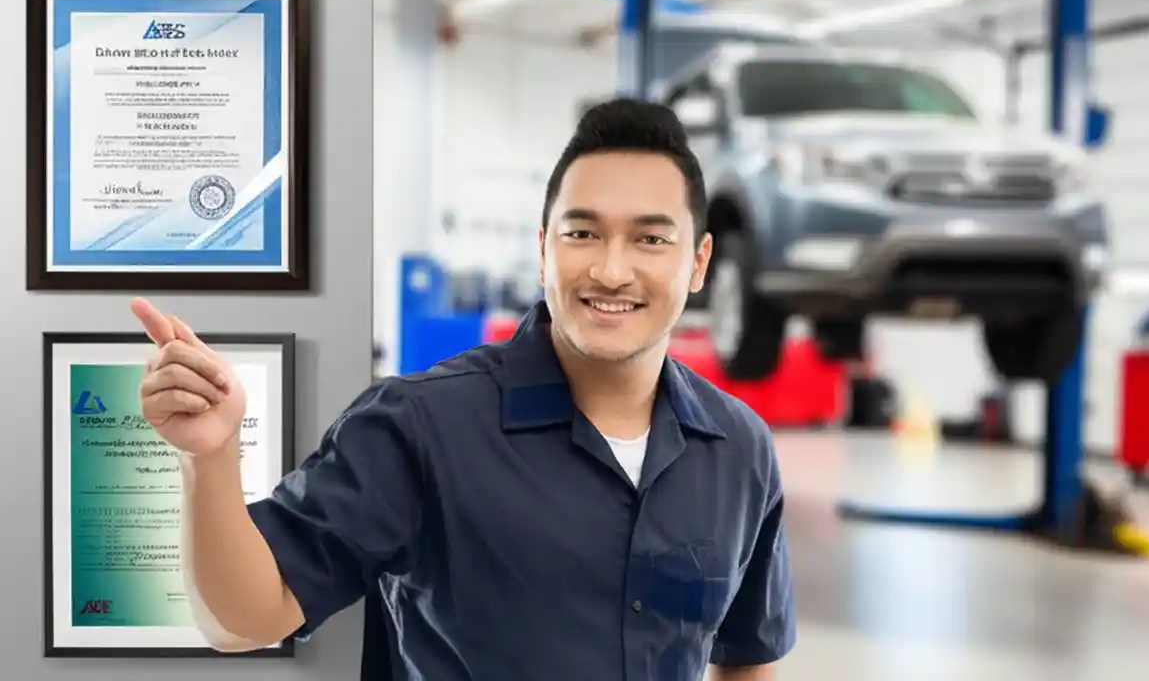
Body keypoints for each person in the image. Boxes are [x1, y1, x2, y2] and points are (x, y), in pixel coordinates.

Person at [130, 98, 796, 680]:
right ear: (544, 249)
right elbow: (247, 618)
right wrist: (209, 458)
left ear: (698, 262)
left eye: (650, 238)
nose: (611, 269)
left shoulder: (738, 449)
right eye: (582, 233)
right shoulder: (420, 425)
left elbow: (747, 651)